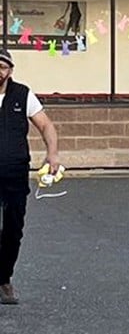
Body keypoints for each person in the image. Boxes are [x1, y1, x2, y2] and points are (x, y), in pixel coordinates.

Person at [0, 48, 59, 305]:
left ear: (10, 70)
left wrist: (52, 154)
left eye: (3, 66)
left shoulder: (23, 95)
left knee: (13, 230)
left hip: (14, 174)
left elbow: (46, 125)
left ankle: (3, 280)